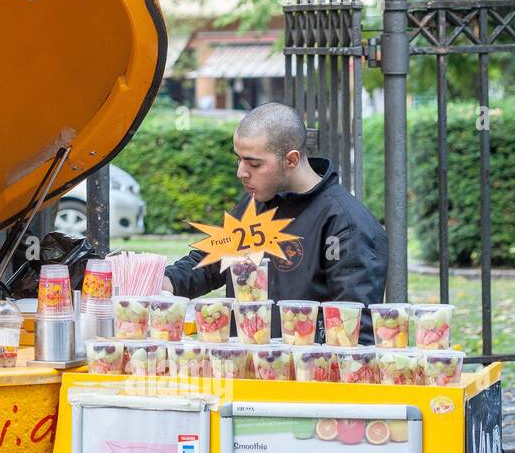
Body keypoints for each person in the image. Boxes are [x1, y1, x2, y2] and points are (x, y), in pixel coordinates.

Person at [163, 102, 387, 343]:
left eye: (254, 164)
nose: (241, 172)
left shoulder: (345, 222)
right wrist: (164, 282)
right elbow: (211, 261)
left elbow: (354, 333)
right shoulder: (256, 203)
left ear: (291, 160)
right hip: (244, 367)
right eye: (238, 159)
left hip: (306, 375)